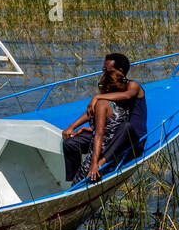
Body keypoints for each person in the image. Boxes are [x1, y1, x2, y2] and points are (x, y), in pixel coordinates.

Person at [62, 52, 147, 182]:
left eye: (107, 70)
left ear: (120, 71)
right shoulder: (112, 87)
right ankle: (75, 180)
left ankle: (100, 163)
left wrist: (97, 97)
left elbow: (127, 96)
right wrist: (72, 126)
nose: (104, 73)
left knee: (126, 127)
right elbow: (97, 111)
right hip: (113, 134)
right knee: (70, 143)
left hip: (131, 137)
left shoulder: (132, 85)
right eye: (103, 70)